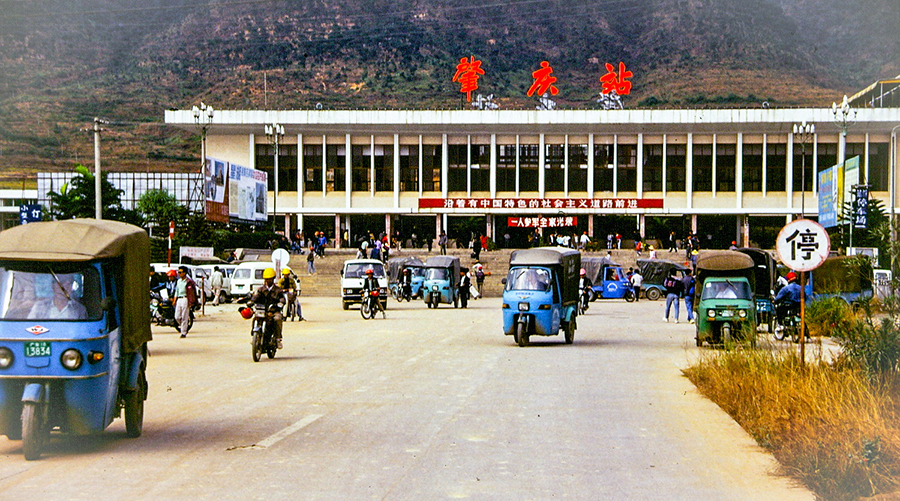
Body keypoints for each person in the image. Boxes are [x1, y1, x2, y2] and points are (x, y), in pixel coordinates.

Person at [247, 268, 285, 348]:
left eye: (270, 279)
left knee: (277, 319)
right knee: (256, 318)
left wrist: (280, 303)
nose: (268, 281)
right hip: (262, 310)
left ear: (273, 279)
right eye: (266, 279)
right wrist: (251, 301)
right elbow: (256, 297)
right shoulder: (261, 290)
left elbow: (282, 298)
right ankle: (254, 336)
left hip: (274, 310)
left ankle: (278, 339)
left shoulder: (278, 290)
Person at [173, 266, 198, 338]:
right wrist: (175, 299)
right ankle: (184, 326)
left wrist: (192, 301)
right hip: (179, 299)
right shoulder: (178, 281)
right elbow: (176, 291)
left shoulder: (188, 282)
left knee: (184, 316)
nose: (179, 274)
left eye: (180, 272)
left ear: (185, 273)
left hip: (185, 299)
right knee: (177, 316)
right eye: (178, 272)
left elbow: (192, 292)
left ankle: (183, 332)